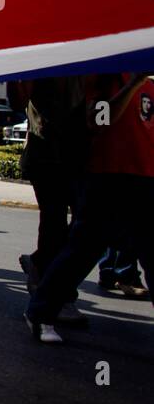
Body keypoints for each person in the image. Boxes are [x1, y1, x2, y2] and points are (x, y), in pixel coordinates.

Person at [26, 73, 153, 343]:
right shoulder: (108, 75)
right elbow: (97, 120)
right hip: (109, 177)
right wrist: (132, 85)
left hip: (145, 177)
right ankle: (40, 313)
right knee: (81, 252)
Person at [8, 76, 89, 322]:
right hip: (46, 157)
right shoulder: (44, 61)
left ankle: (40, 264)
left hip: (79, 156)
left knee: (83, 230)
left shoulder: (88, 63)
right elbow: (19, 100)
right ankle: (60, 297)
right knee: (55, 225)